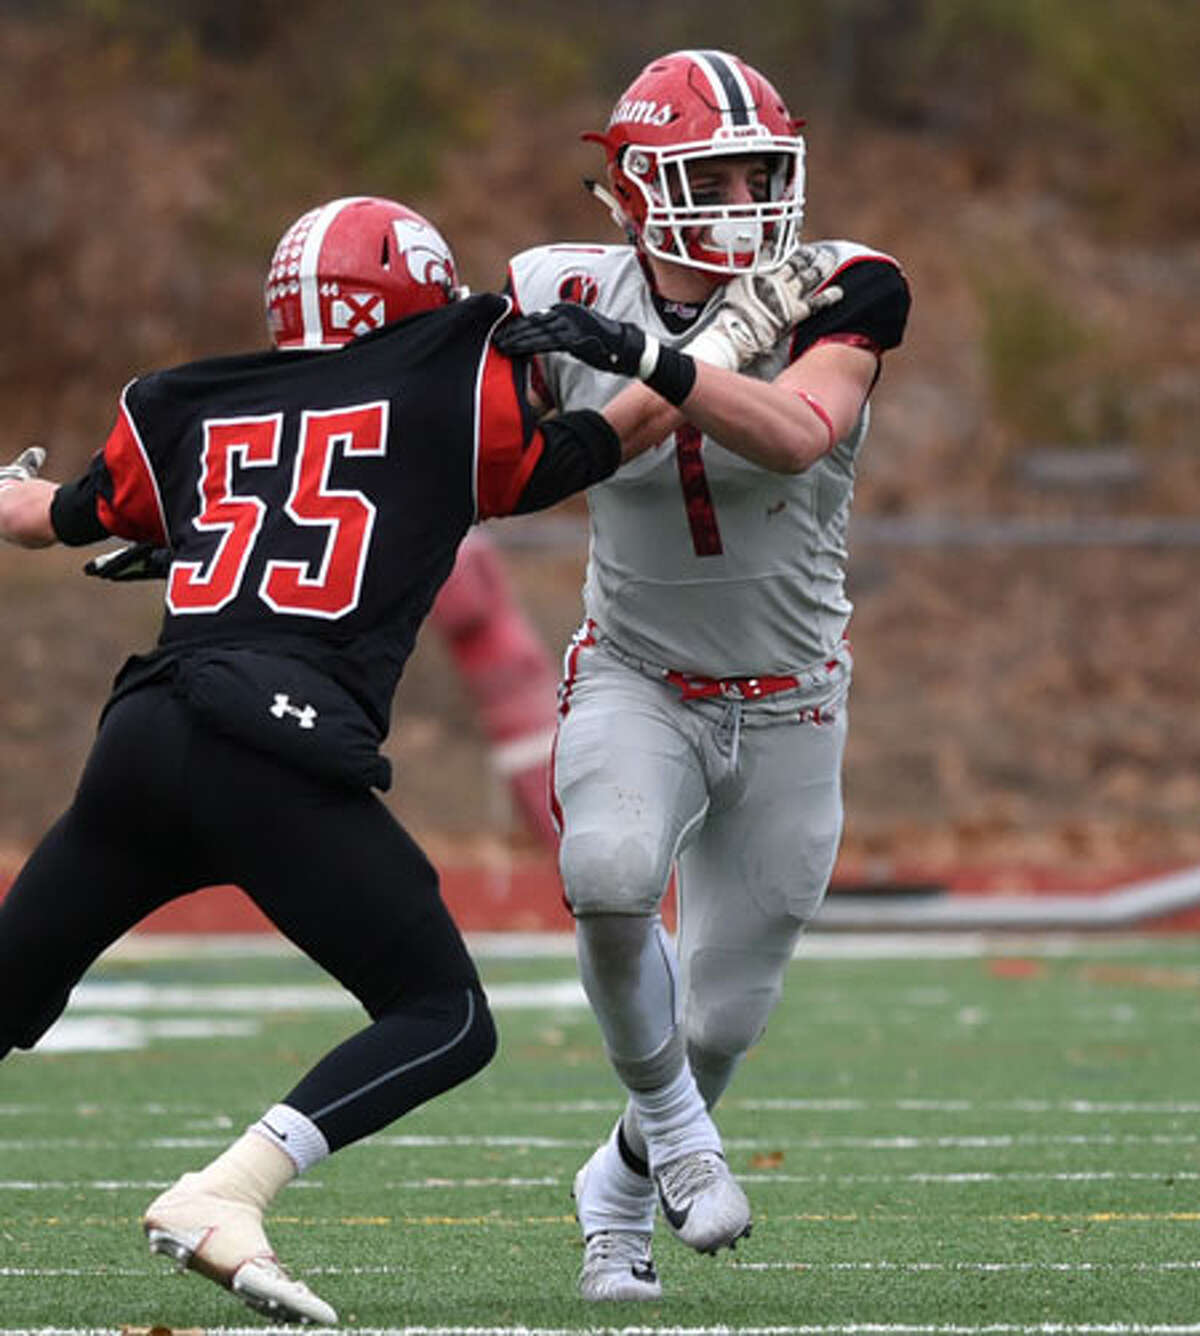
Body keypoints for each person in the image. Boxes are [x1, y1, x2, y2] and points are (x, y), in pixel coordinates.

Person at [0, 193, 831, 1325]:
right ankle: (225, 1193)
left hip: (141, 741)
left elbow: (53, 516)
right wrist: (724, 340)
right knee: (444, 1015)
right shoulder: (445, 372)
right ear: (416, 301)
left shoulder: (185, 400)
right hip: (273, 750)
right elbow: (603, 441)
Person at [495, 48, 911, 1301]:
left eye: (758, 174)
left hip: (793, 698)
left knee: (722, 1021)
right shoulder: (556, 289)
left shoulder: (843, 282)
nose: (742, 201)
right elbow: (475, 455)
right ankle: (676, 1140)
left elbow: (795, 435)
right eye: (709, 176)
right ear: (632, 186)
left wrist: (658, 357)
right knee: (609, 874)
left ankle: (619, 1181)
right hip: (639, 672)